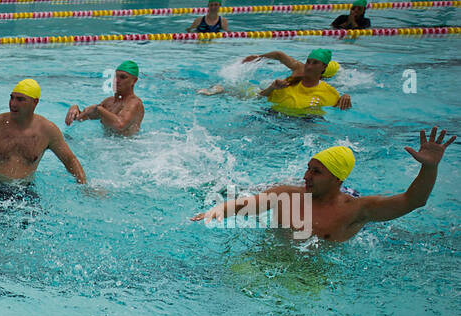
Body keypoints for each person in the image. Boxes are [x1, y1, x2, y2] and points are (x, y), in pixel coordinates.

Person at [191, 130, 453, 243]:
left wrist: (429, 167)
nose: (306, 175)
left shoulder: (356, 210)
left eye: (316, 172)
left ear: (337, 179)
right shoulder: (286, 195)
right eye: (308, 168)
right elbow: (244, 205)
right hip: (269, 259)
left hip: (313, 276)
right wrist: (217, 210)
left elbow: (413, 201)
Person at [258, 48, 351, 114]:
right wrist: (271, 88)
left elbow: (340, 113)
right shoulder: (288, 82)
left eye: (315, 63)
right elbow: (258, 98)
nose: (309, 66)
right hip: (272, 116)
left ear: (324, 67)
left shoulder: (331, 93)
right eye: (308, 62)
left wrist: (345, 98)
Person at [65, 60, 144, 136]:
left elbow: (120, 125)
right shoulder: (109, 102)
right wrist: (74, 109)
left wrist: (99, 109)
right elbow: (82, 118)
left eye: (123, 77)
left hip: (127, 147)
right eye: (115, 76)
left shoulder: (134, 103)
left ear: (134, 81)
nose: (117, 80)